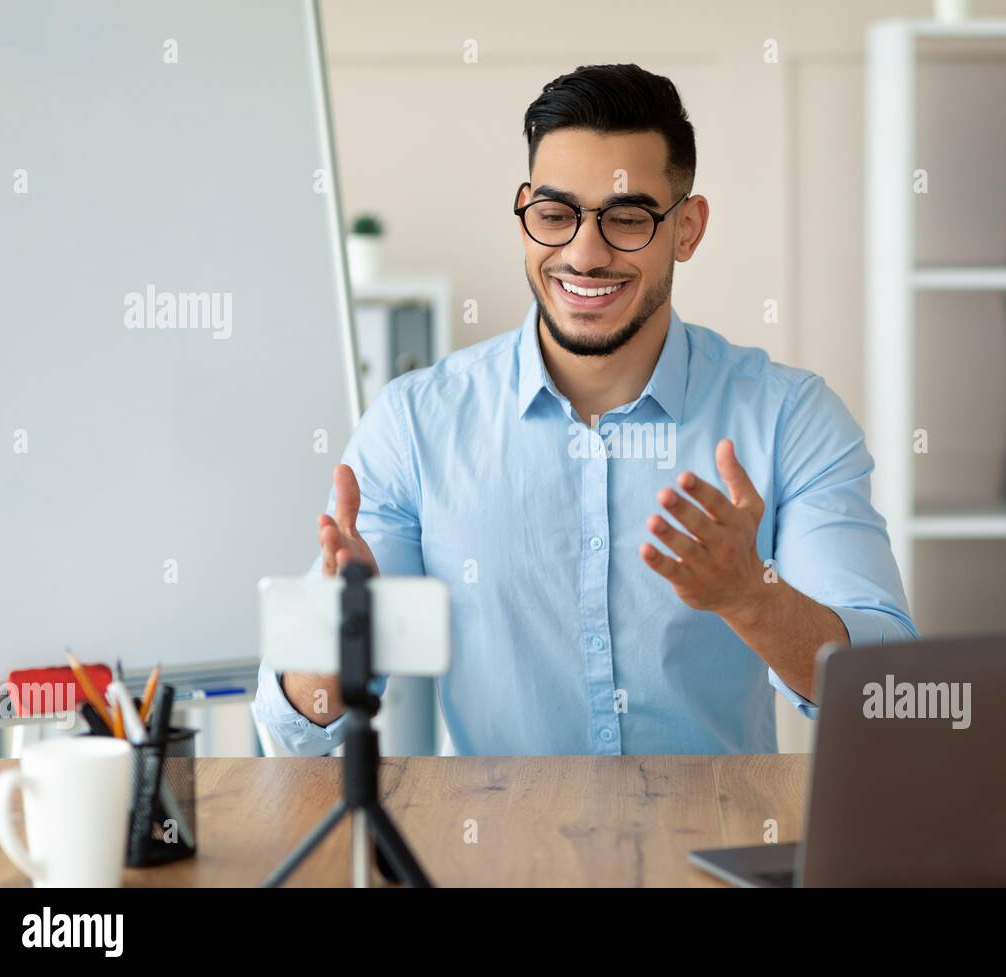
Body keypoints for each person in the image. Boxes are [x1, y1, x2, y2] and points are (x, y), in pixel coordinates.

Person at [253, 63, 916, 756]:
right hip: (497, 853)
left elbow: (888, 695)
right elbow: (291, 732)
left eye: (627, 218)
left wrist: (752, 597)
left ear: (686, 229)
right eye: (555, 215)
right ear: (525, 216)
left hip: (710, 854)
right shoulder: (415, 425)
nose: (584, 253)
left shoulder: (790, 419)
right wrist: (339, 629)